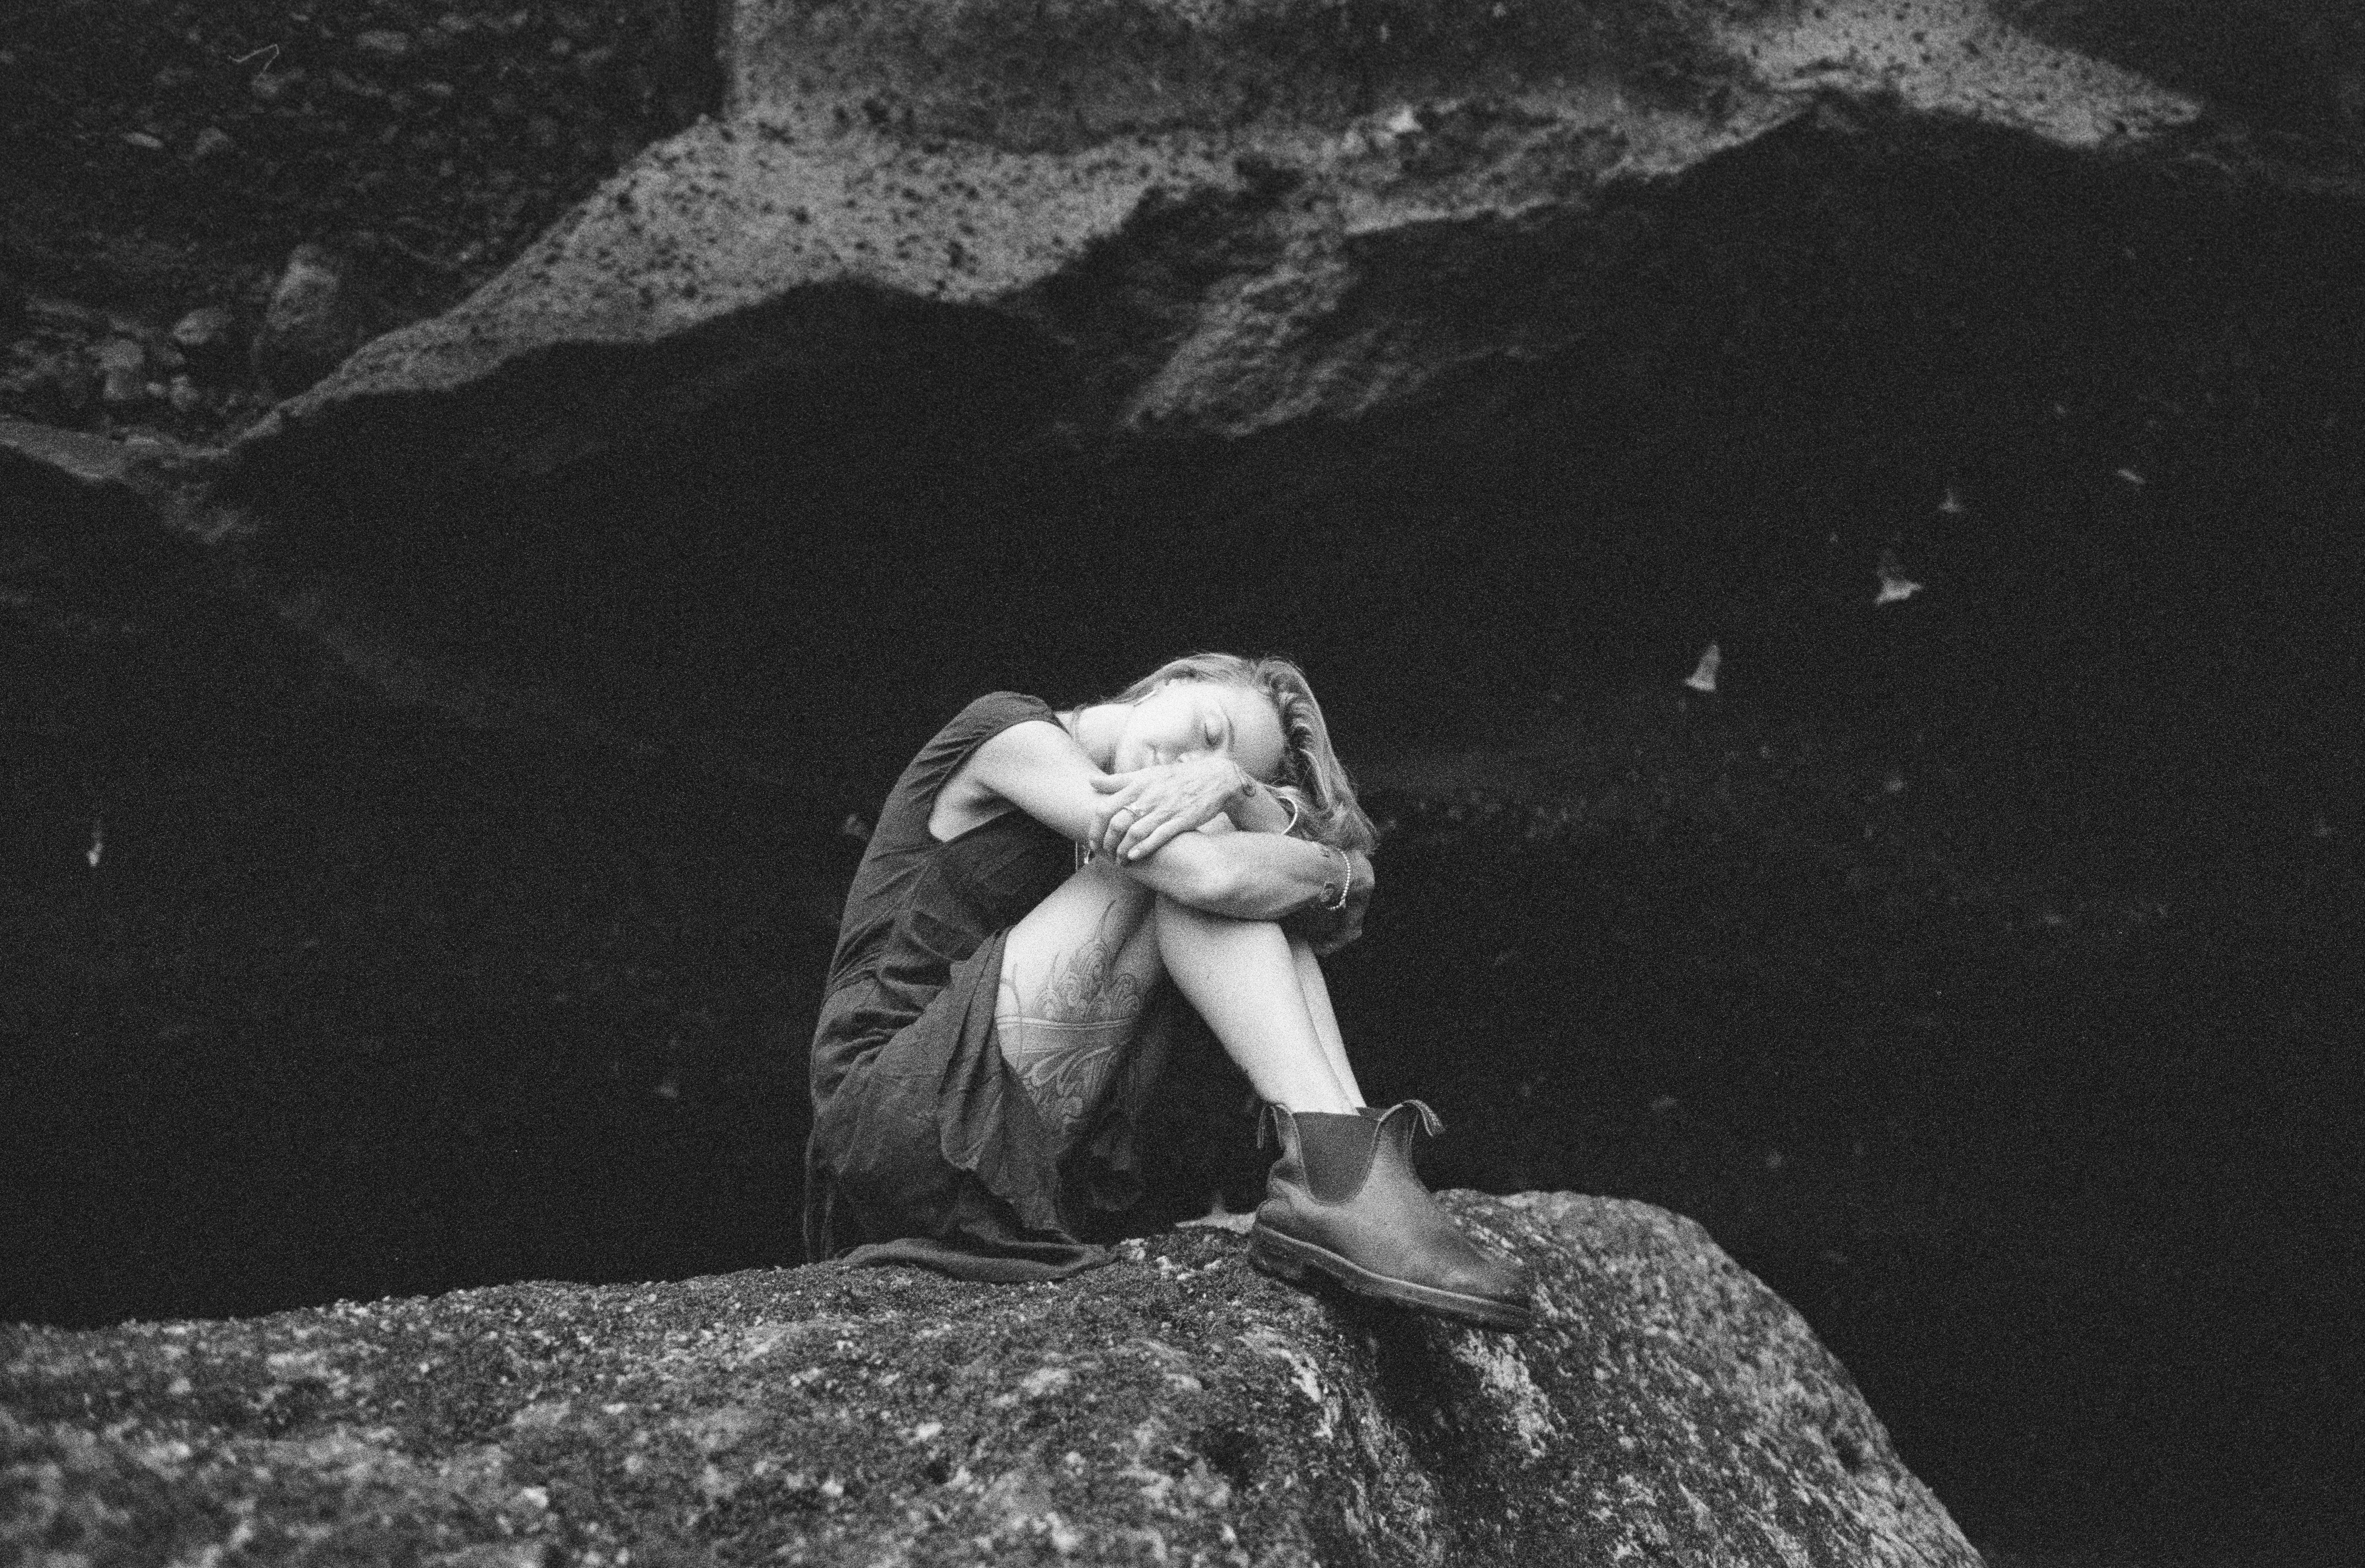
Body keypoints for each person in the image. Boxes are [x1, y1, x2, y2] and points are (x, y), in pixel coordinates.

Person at [803, 653, 1533, 1330]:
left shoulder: (1162, 798)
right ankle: (1338, 1174)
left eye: (1217, 762)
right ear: (1172, 679)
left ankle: (1353, 1166)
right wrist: (1323, 859)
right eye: (1208, 730)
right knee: (1193, 860)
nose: (1191, 764)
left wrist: (1238, 789)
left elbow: (1301, 898)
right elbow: (1205, 875)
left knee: (1239, 873)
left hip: (1029, 1160)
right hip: (893, 1119)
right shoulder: (1007, 732)